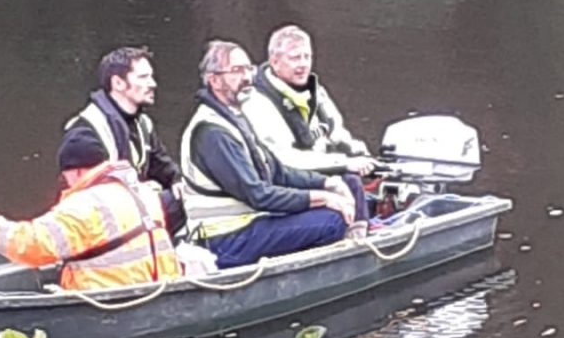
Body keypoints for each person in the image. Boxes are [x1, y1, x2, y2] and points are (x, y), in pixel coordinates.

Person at [180, 40, 355, 269]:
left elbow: (276, 171)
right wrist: (322, 198)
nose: (247, 77)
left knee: (349, 195)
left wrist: (328, 182)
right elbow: (259, 195)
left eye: (248, 68)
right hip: (225, 239)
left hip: (246, 225)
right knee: (332, 220)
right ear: (214, 80)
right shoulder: (212, 132)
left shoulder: (233, 117)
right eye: (236, 71)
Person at [0, 140, 181, 293]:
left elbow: (36, 245)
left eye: (66, 177)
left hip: (109, 299)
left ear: (76, 172)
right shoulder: (142, 192)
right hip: (158, 290)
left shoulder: (86, 205)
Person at [242, 24, 373, 224]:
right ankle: (358, 240)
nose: (303, 65)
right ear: (275, 62)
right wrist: (345, 163)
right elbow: (285, 159)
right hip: (286, 177)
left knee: (359, 177)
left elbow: (336, 130)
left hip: (321, 165)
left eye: (307, 57)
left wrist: (360, 153)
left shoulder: (314, 90)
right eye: (295, 58)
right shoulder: (258, 103)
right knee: (350, 182)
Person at [58, 45, 185, 235]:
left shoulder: (142, 123)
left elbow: (161, 166)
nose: (153, 84)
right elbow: (92, 201)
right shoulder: (83, 137)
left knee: (185, 197)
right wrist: (145, 191)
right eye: (143, 78)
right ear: (118, 83)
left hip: (130, 216)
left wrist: (177, 181)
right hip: (98, 229)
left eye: (151, 76)